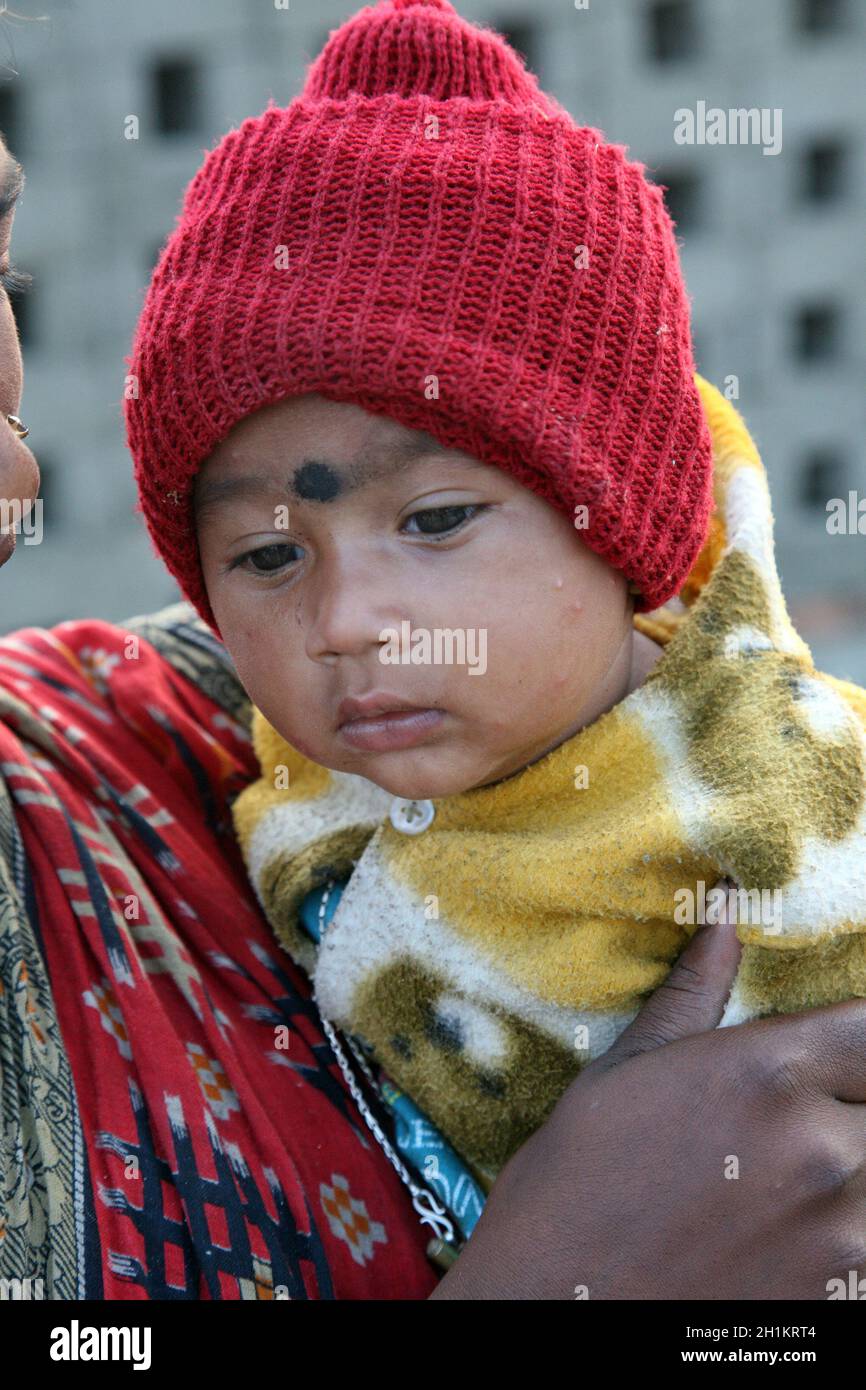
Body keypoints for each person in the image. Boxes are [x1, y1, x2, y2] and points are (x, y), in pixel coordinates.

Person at [2, 0, 866, 1301]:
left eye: (440, 519)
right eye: (268, 556)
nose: (348, 621)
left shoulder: (788, 831)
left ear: (627, 536)